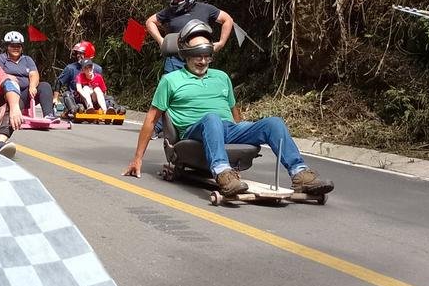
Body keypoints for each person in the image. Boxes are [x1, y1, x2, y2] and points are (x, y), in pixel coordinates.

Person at [123, 20, 333, 197]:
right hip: (194, 132)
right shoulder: (171, 80)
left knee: (273, 123)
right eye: (197, 55)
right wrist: (138, 159)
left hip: (226, 129)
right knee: (211, 118)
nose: (203, 60)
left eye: (207, 55)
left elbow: (234, 113)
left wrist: (243, 132)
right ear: (185, 54)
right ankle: (223, 173)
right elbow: (151, 119)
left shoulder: (221, 77)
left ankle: (300, 173)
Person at [145, 0, 236, 138]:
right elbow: (150, 22)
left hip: (199, 57)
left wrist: (221, 43)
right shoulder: (169, 12)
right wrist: (162, 41)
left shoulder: (206, 9)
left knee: (198, 91)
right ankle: (158, 127)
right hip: (175, 58)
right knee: (168, 92)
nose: (174, 1)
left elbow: (227, 19)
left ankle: (203, 125)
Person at [0, 30, 55, 118]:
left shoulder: (27, 59)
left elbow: (34, 74)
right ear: (7, 47)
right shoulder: (0, 59)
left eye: (18, 46)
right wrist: (7, 77)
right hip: (9, 94)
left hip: (25, 94)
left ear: (22, 47)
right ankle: (12, 113)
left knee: (45, 86)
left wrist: (32, 86)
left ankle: (49, 115)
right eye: (12, 46)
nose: (16, 48)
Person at [54, 41, 102, 119]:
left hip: (92, 98)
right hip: (76, 99)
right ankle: (76, 110)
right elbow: (59, 82)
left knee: (107, 98)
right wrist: (55, 98)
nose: (78, 56)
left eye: (81, 53)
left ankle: (112, 109)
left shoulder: (98, 69)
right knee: (66, 94)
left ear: (89, 54)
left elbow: (101, 86)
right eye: (78, 53)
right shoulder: (70, 68)